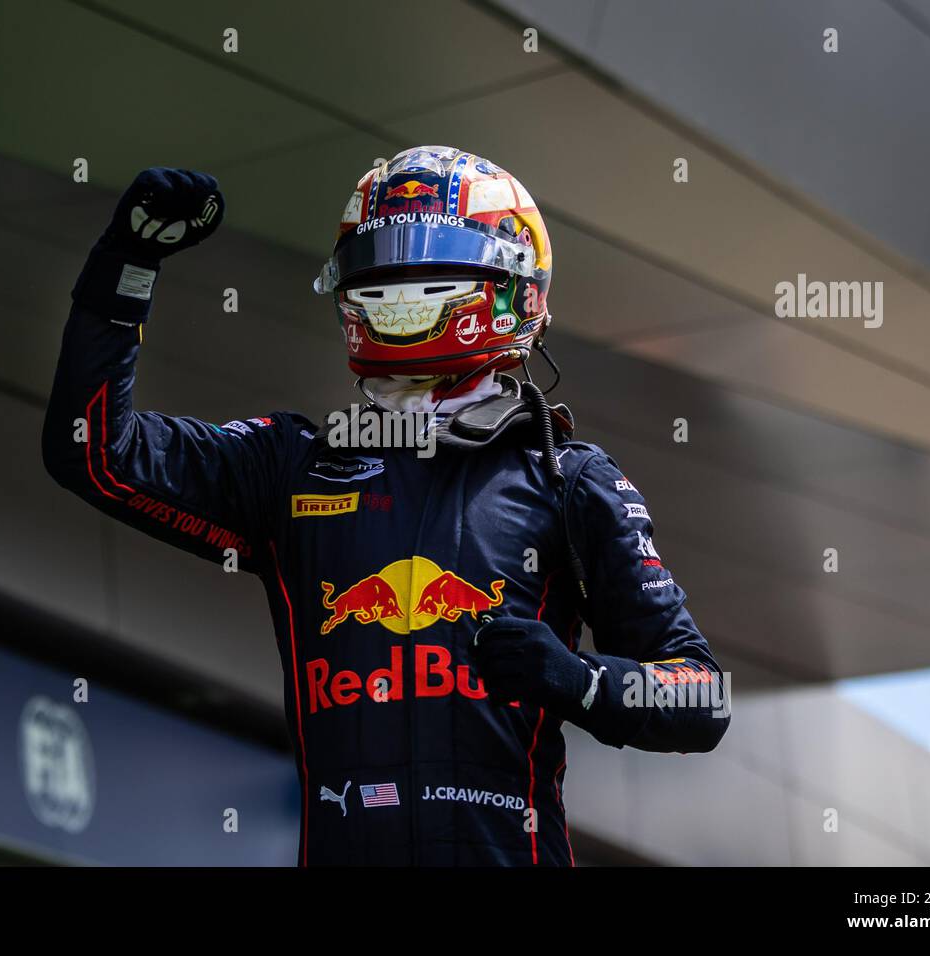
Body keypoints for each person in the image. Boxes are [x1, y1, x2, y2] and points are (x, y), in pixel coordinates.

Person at [43, 146, 729, 866]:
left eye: (429, 268)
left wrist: (581, 681)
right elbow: (93, 455)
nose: (403, 291)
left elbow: (704, 698)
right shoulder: (291, 466)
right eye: (385, 271)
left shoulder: (567, 478)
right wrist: (127, 267)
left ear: (513, 286)